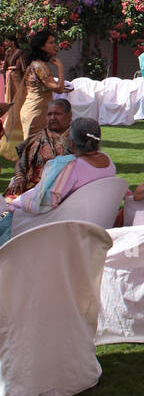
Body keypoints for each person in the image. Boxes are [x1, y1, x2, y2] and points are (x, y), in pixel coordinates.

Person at [0, 117, 116, 245]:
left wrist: (19, 202)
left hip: (59, 223)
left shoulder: (71, 167)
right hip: (91, 220)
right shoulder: (108, 161)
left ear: (71, 141)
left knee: (10, 218)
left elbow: (46, 202)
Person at [0, 28, 68, 159]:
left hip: (36, 111)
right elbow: (58, 88)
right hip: (35, 114)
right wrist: (60, 67)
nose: (55, 45)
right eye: (51, 43)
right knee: (34, 155)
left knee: (37, 154)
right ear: (42, 46)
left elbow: (44, 87)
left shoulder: (37, 64)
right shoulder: (39, 66)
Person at [5, 98, 72, 199]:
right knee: (10, 203)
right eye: (49, 114)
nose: (52, 118)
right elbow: (22, 161)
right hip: (32, 187)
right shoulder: (37, 138)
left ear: (69, 115)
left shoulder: (77, 138)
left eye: (57, 114)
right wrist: (20, 177)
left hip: (63, 187)